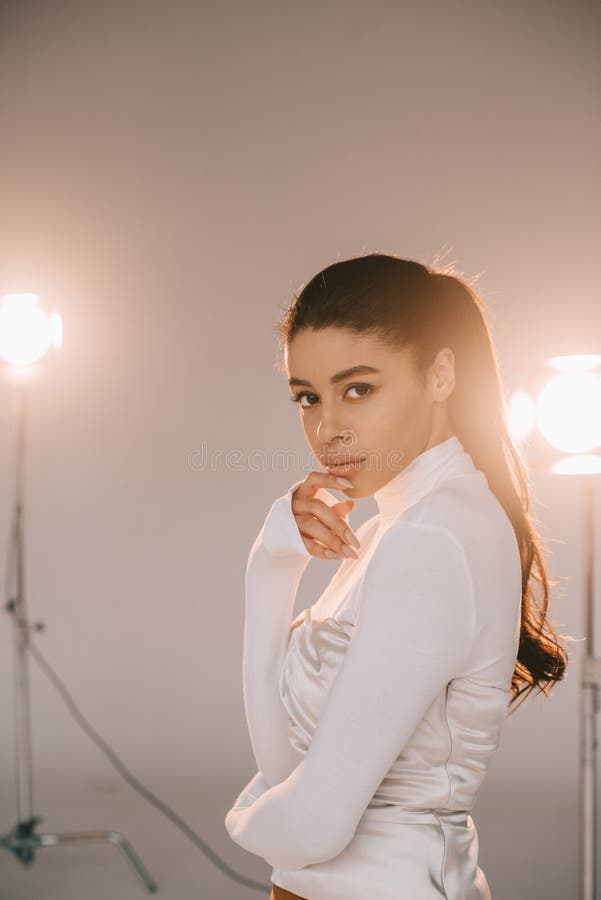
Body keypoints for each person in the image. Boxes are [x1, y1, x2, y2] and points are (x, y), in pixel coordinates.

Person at [224, 254, 570, 900]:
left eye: (358, 388)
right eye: (307, 397)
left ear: (440, 374)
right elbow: (285, 763)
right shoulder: (399, 523)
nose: (327, 428)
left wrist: (246, 820)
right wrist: (274, 559)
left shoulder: (428, 538)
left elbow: (312, 826)